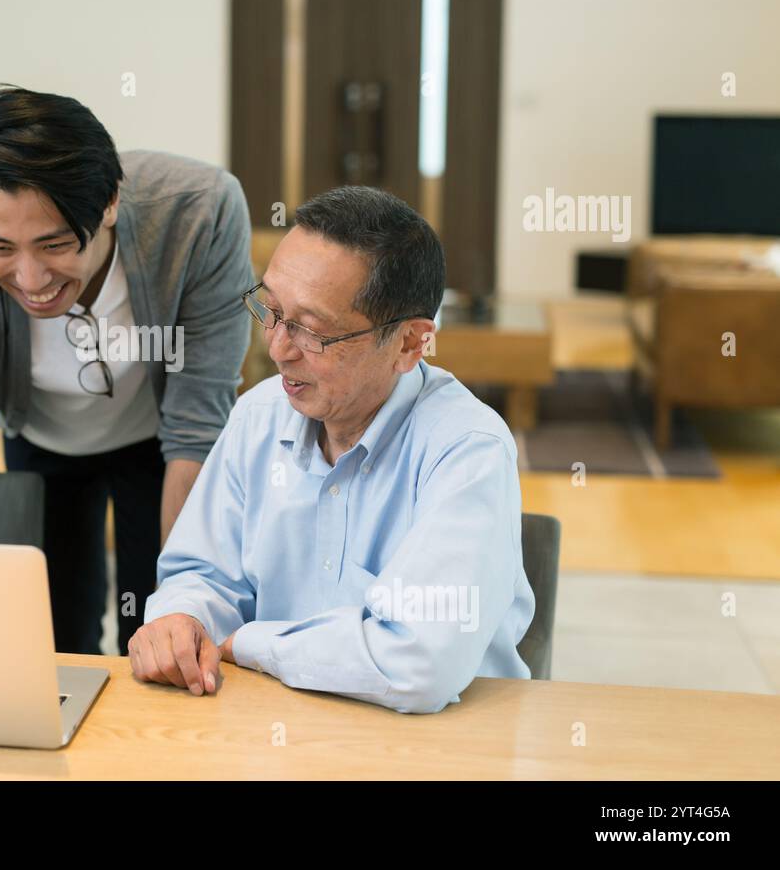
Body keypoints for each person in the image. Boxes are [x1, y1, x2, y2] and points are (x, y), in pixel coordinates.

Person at [130, 185, 535, 712]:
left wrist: (252, 643)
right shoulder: (259, 415)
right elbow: (202, 573)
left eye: (311, 331)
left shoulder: (466, 450)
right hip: (276, 728)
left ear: (411, 343)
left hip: (435, 747)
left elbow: (419, 662)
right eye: (270, 310)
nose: (277, 349)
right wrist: (181, 619)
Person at [0, 86, 252, 654]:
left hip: (161, 444)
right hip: (42, 435)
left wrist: (182, 611)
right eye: (0, 248)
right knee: (55, 637)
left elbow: (198, 426)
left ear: (109, 203)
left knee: (157, 624)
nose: (31, 280)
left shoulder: (199, 211)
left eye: (55, 244)